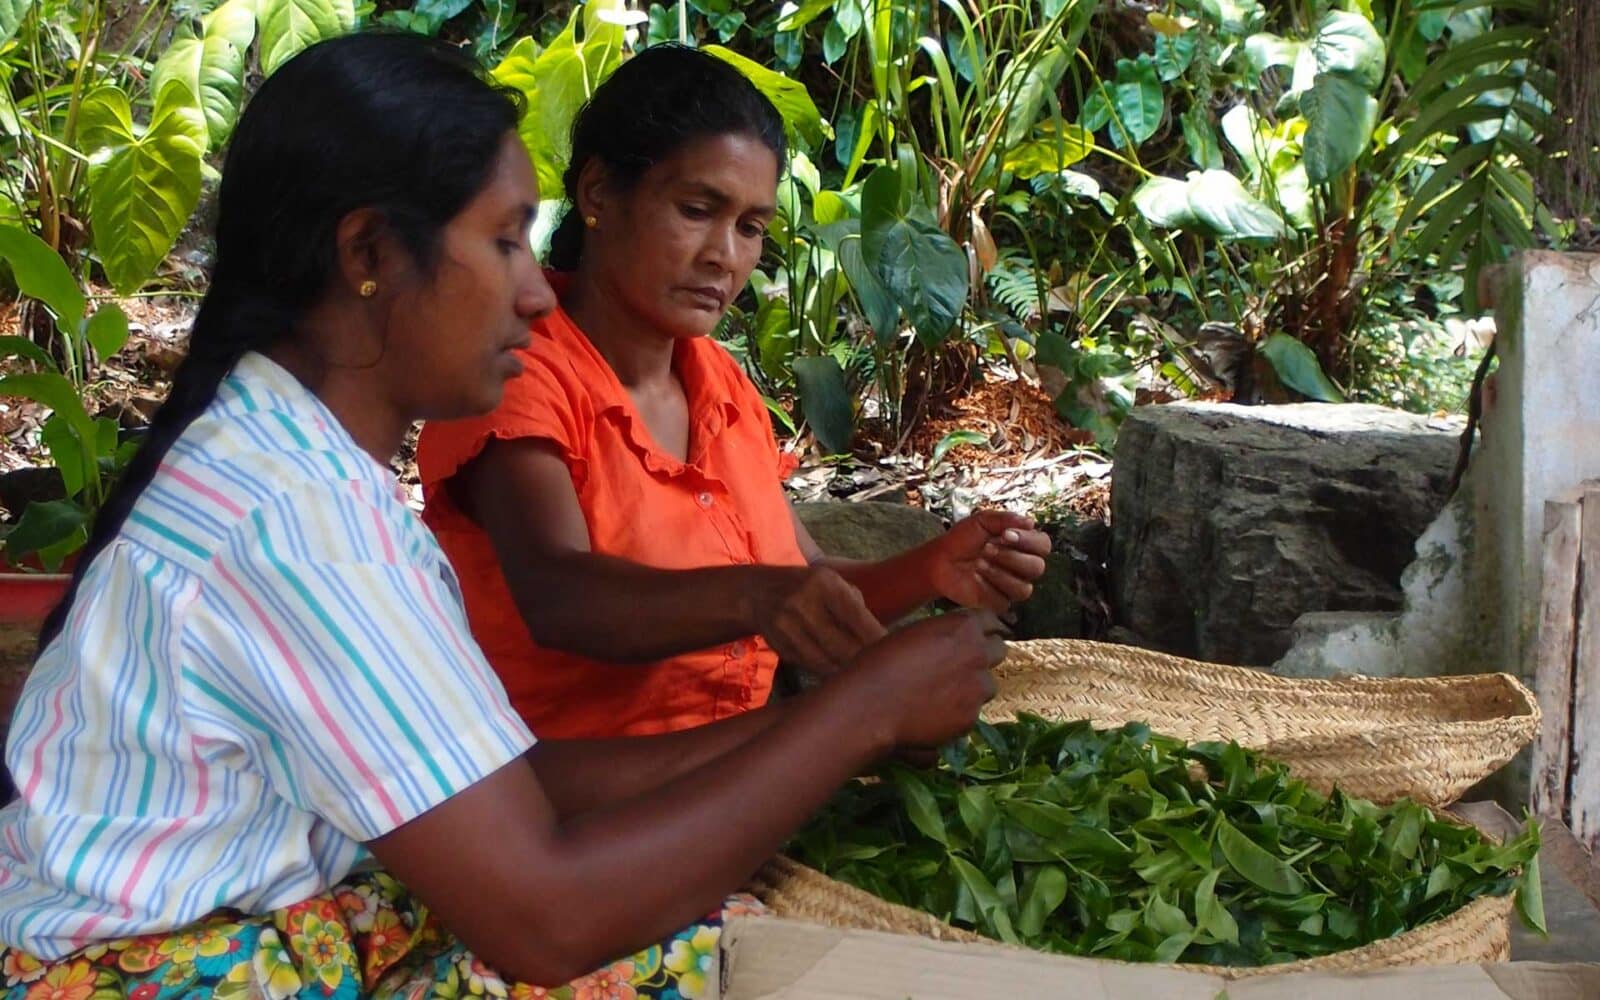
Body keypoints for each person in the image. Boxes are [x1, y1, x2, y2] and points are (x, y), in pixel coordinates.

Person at [0, 33, 1004, 996]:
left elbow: (505, 783)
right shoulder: (299, 526)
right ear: (369, 253)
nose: (536, 294)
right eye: (503, 241)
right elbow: (545, 922)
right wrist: (857, 716)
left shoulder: (301, 465)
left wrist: (823, 723)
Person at [417, 45, 1051, 739]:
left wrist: (933, 567)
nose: (725, 255)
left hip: (738, 767)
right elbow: (558, 596)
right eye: (697, 210)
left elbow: (805, 581)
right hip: (559, 784)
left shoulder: (719, 384)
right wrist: (754, 597)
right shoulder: (518, 371)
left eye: (750, 228)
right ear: (597, 193)